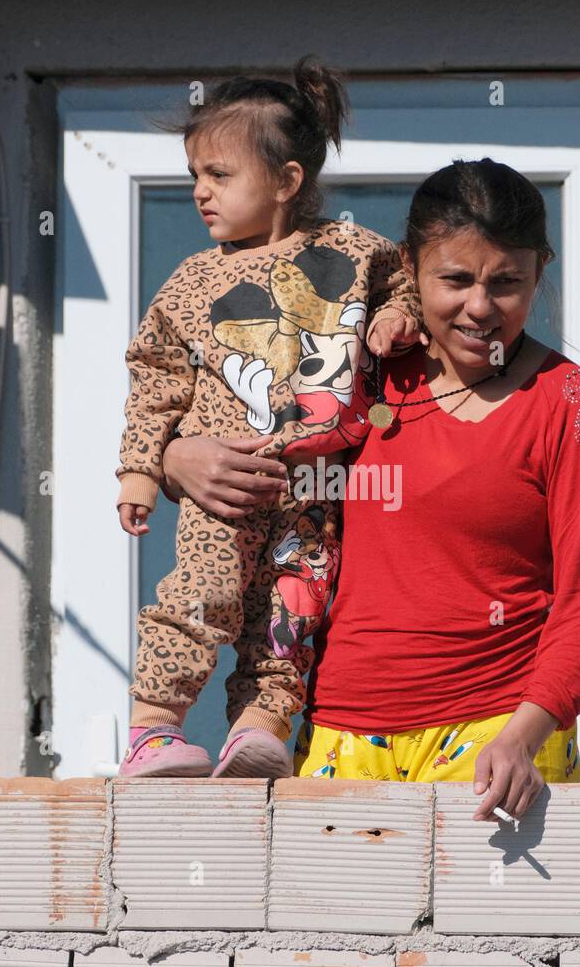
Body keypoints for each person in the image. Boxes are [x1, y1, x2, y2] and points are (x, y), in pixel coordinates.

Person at [164, 158, 580, 823]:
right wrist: (174, 457)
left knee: (494, 931)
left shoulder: (576, 409)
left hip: (499, 738)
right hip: (337, 733)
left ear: (541, 268)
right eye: (456, 279)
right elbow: (236, 426)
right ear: (409, 267)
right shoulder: (358, 374)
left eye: (507, 282)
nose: (480, 306)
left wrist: (525, 735)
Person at [116, 56, 424, 780]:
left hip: (317, 489)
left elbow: (407, 282)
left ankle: (260, 731)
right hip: (226, 483)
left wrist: (398, 318)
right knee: (203, 597)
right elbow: (155, 377)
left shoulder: (355, 251)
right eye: (196, 175)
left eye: (218, 175)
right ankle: (153, 729)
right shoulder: (191, 280)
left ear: (286, 182)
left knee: (293, 612)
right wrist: (138, 468)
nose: (199, 192)